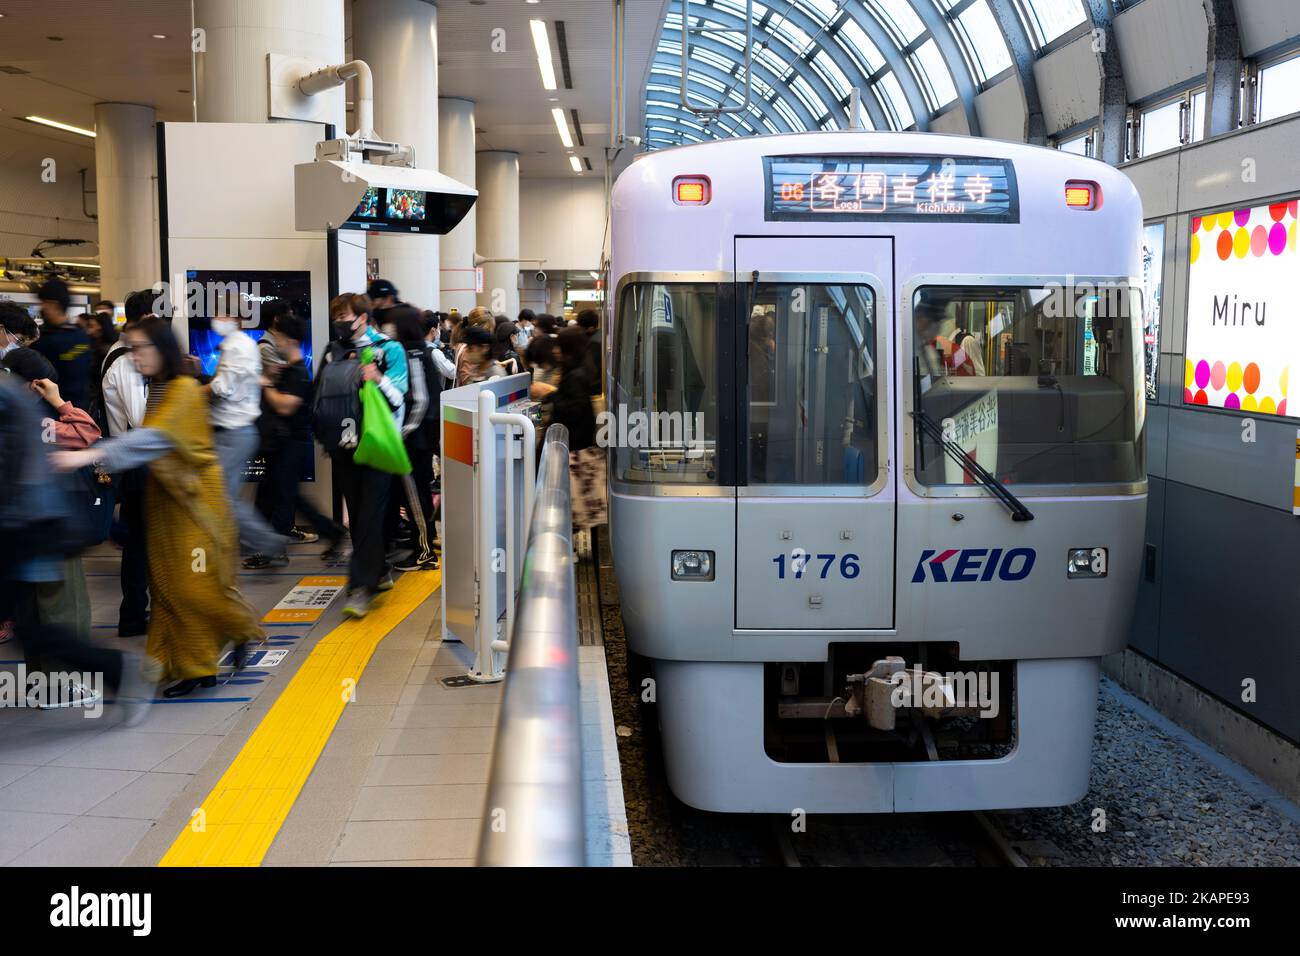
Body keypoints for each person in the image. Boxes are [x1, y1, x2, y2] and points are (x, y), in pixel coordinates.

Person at [51, 316, 262, 698]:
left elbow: (153, 439)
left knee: (192, 588)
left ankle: (241, 629)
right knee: (166, 590)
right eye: (130, 348)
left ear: (161, 348)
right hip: (165, 504)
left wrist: (87, 457)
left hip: (196, 508)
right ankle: (192, 666)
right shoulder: (163, 387)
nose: (133, 357)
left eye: (139, 349)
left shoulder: (181, 390)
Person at [0, 373, 147, 718]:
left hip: (27, 526)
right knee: (30, 621)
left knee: (47, 614)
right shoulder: (18, 400)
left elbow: (88, 434)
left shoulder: (13, 401)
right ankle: (102, 673)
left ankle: (102, 673)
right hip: (32, 521)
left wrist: (58, 401)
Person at [323, 292, 407, 617]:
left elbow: (399, 398)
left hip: (377, 443)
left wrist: (379, 378)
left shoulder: (389, 350)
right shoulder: (334, 352)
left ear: (362, 318)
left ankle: (360, 587)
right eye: (337, 318)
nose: (340, 323)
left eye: (344, 317)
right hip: (344, 445)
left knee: (371, 512)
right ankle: (380, 569)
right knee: (358, 515)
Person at [245, 313, 345, 569]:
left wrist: (265, 384)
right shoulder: (289, 370)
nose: (274, 340)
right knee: (285, 497)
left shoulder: (299, 373)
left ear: (288, 339)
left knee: (284, 498)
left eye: (277, 335)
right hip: (281, 444)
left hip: (290, 445)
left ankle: (275, 550)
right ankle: (331, 532)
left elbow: (285, 406)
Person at [200, 302, 287, 558]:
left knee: (223, 497)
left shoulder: (238, 346)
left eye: (220, 313)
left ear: (235, 317)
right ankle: (246, 542)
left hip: (234, 432)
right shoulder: (237, 345)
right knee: (221, 494)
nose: (216, 319)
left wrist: (193, 393)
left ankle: (268, 542)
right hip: (230, 431)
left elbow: (223, 388)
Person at [101, 291, 152, 636]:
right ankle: (133, 615)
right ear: (148, 318)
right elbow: (140, 417)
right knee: (139, 543)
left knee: (141, 541)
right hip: (137, 462)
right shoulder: (125, 362)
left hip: (136, 459)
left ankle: (136, 613)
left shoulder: (126, 356)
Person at [380, 305, 439, 572]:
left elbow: (421, 399)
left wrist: (402, 433)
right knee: (413, 494)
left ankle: (424, 553)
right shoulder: (414, 350)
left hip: (414, 439)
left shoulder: (412, 353)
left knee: (415, 495)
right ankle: (422, 541)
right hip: (418, 436)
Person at [542, 327, 606, 531]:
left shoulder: (575, 375)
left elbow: (573, 411)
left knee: (572, 509)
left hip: (573, 453)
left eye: (560, 347)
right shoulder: (583, 369)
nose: (555, 351)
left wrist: (551, 395)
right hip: (578, 449)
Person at [32, 278, 92, 410]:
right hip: (80, 410)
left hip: (52, 412)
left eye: (44, 303)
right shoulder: (81, 336)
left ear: (54, 305)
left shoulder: (42, 340)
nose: (42, 307)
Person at [577, 308, 602, 394]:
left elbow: (592, 371)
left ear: (591, 328)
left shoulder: (594, 343)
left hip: (594, 389)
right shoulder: (601, 336)